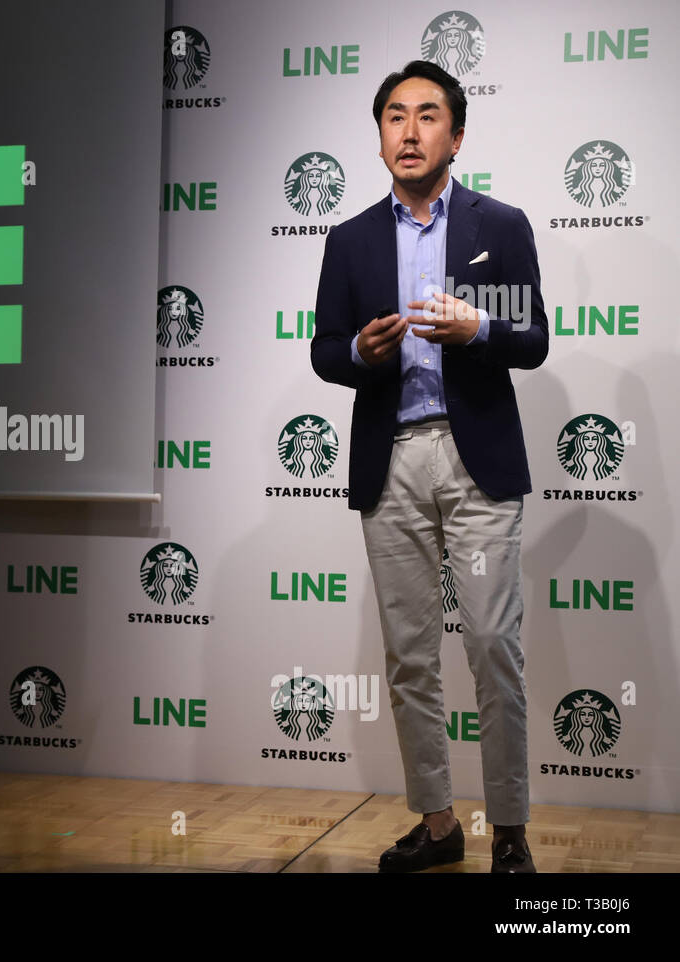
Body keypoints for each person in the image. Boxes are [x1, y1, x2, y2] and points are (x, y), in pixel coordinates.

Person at [310, 60, 548, 873]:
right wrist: (358, 350)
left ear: (456, 135)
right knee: (411, 655)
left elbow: (533, 339)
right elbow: (323, 352)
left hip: (475, 454)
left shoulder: (500, 225)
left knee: (491, 645)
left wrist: (479, 328)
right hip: (392, 459)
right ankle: (440, 825)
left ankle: (509, 830)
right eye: (393, 117)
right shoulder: (348, 241)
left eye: (426, 116)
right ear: (379, 135)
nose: (408, 132)